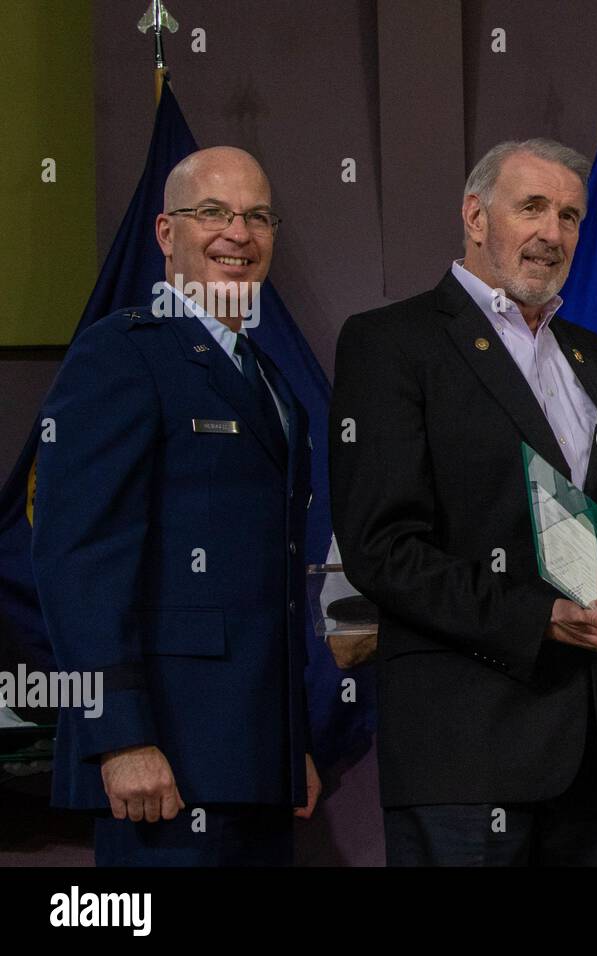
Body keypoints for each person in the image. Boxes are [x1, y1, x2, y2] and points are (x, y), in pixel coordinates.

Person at [330, 139, 597, 866]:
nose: (553, 233)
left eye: (570, 215)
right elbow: (381, 549)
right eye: (533, 208)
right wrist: (537, 617)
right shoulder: (390, 344)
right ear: (475, 217)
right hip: (467, 757)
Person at [33, 146, 319, 866]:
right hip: (161, 761)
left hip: (255, 763)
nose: (239, 234)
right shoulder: (122, 355)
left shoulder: (271, 381)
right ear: (166, 233)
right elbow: (78, 561)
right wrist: (119, 736)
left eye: (258, 217)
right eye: (213, 213)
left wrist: (290, 745)